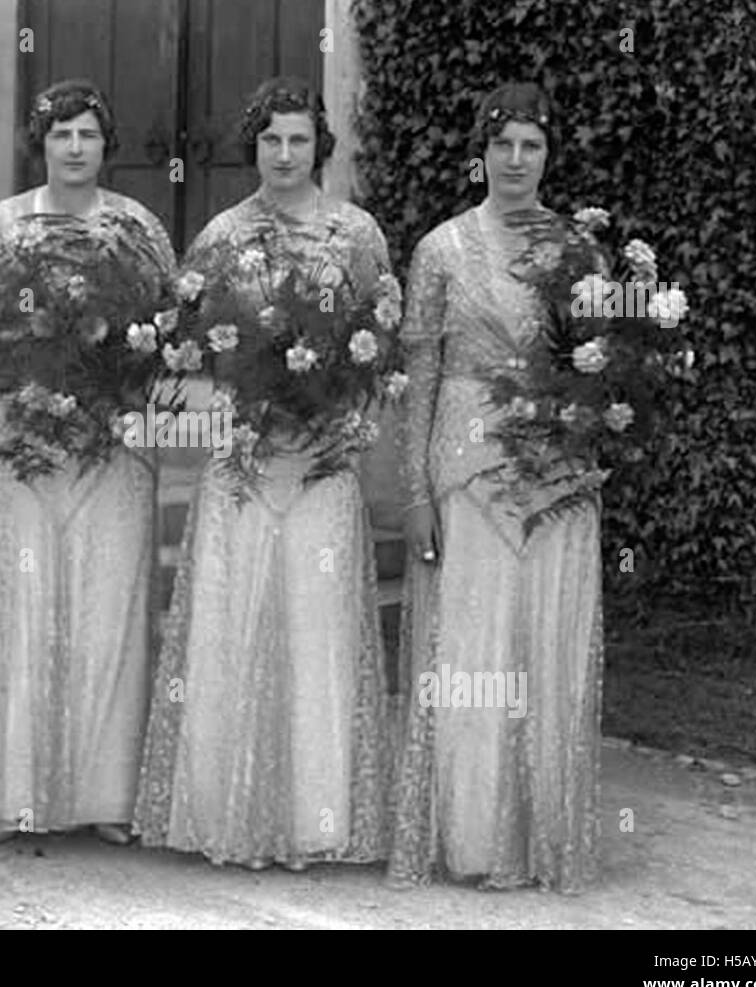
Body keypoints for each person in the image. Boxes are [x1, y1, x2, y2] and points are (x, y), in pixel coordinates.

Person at [133, 77, 393, 870]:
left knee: (318, 632)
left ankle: (315, 817)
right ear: (254, 146)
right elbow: (184, 350)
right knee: (230, 623)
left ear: (321, 146)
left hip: (318, 461)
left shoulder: (356, 234)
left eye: (299, 139)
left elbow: (380, 349)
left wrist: (342, 423)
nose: (285, 154)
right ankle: (225, 808)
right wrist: (232, 409)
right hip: (243, 458)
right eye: (271, 139)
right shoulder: (220, 235)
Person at [0, 80, 176, 846]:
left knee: (108, 612)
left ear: (108, 145)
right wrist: (20, 378)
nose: (75, 147)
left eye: (89, 134)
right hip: (23, 448)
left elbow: (167, 344)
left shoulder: (139, 230)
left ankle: (105, 795)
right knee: (20, 606)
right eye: (61, 133)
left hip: (111, 446)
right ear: (40, 144)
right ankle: (11, 792)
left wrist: (113, 375)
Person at [388, 82, 602, 893]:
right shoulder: (440, 249)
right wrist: (414, 492)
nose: (516, 161)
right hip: (466, 463)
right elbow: (421, 371)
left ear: (549, 156)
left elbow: (603, 364)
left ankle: (537, 838)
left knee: (543, 644)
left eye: (532, 146)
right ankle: (474, 837)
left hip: (555, 470)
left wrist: (585, 428)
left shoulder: (581, 250)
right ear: (481, 152)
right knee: (472, 651)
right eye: (503, 144)